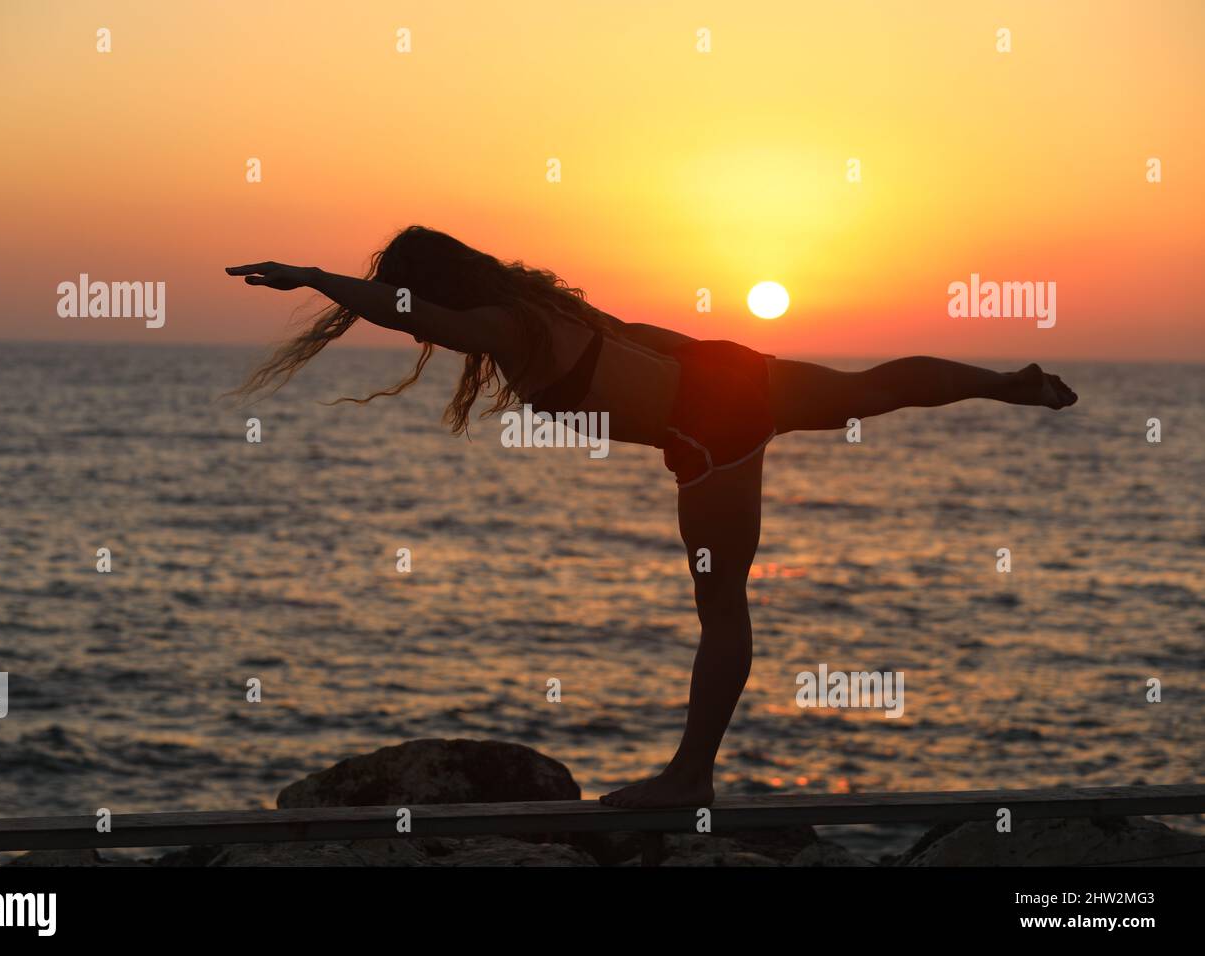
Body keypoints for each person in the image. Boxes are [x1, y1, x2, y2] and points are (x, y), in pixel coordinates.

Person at [226, 225, 1077, 809]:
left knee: (723, 611)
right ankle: (1004, 382)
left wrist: (316, 280)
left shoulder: (503, 327)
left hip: (708, 430)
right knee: (872, 388)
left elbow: (418, 315)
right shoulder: (541, 309)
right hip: (724, 375)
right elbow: (642, 335)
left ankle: (690, 776)